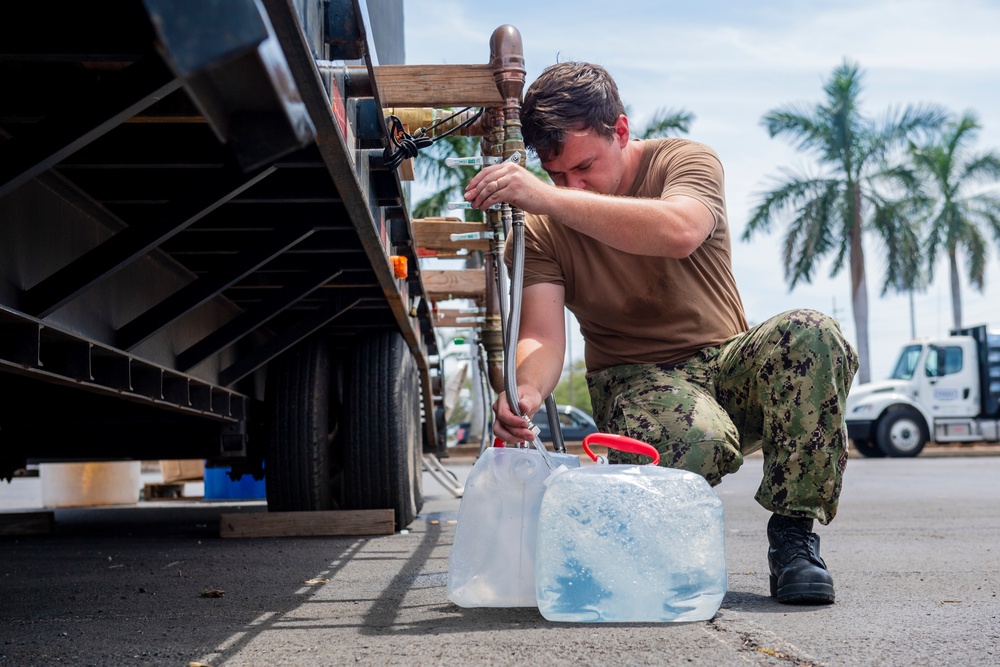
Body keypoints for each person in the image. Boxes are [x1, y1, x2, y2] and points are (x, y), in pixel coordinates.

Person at [465, 61, 859, 605]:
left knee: (812, 333)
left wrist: (546, 197)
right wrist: (525, 390)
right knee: (695, 439)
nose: (572, 186)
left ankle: (793, 539)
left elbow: (681, 230)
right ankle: (650, 539)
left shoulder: (684, 160)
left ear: (621, 131)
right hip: (637, 381)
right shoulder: (538, 231)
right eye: (556, 176)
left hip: (727, 364)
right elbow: (542, 335)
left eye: (584, 167)